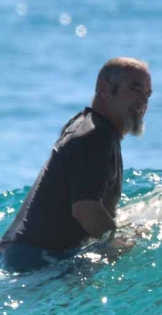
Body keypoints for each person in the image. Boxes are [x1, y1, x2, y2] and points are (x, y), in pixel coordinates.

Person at [0, 58, 152, 273]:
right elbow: (86, 210)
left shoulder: (86, 125)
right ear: (104, 89)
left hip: (19, 256)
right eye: (135, 89)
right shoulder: (96, 136)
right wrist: (119, 243)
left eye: (147, 94)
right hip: (34, 262)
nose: (142, 101)